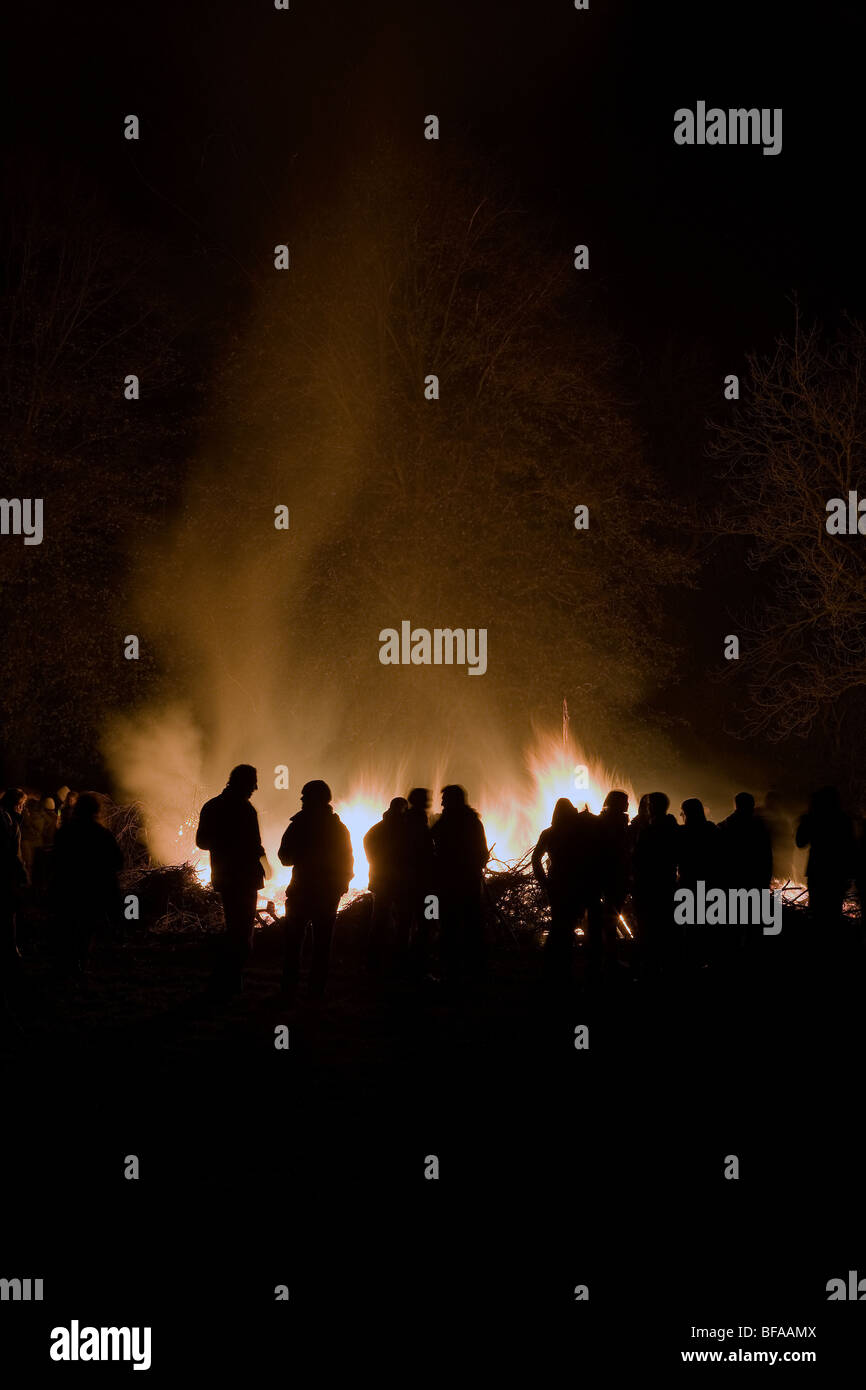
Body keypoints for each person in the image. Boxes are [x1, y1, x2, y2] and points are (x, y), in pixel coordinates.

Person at [277, 780, 353, 1003]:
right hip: (327, 895)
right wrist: (340, 888)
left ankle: (288, 990)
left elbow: (284, 858)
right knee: (322, 945)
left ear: (314, 799)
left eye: (304, 796)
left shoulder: (298, 824)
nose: (301, 800)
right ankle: (315, 992)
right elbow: (348, 862)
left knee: (293, 943)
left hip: (302, 891)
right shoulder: (338, 828)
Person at [195, 764, 265, 999]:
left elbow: (202, 842)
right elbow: (254, 846)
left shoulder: (213, 806)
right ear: (244, 783)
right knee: (242, 934)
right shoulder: (246, 810)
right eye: (252, 783)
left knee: (236, 930)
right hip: (244, 878)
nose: (255, 788)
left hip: (226, 877)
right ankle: (224, 981)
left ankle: (228, 982)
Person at [52, 793, 123, 974]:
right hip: (92, 891)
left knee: (68, 927)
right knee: (86, 928)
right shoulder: (102, 834)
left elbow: (56, 861)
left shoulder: (65, 832)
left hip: (67, 889)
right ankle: (80, 964)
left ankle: (67, 965)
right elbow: (117, 862)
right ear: (96, 811)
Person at [431, 785, 489, 989]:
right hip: (469, 883)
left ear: (453, 801)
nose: (442, 803)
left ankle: (451, 974)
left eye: (445, 799)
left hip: (449, 885)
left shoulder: (444, 825)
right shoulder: (474, 823)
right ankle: (475, 972)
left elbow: (432, 848)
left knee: (449, 928)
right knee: (472, 927)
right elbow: (483, 854)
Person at [532, 797, 588, 984]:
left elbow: (535, 859)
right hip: (571, 884)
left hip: (557, 884)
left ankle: (553, 967)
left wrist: (544, 881)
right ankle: (560, 968)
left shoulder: (549, 833)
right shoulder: (578, 833)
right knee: (565, 926)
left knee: (560, 925)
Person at [796, 787, 854, 943]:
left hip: (818, 871)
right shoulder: (843, 819)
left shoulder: (813, 818)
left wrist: (804, 821)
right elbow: (850, 848)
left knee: (816, 911)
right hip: (837, 874)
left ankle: (818, 943)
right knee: (833, 913)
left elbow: (800, 842)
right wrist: (849, 874)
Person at [631, 792, 679, 979]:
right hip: (667, 884)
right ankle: (665, 967)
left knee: (648, 928)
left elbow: (637, 858)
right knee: (665, 927)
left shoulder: (650, 831)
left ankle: (650, 969)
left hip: (649, 886)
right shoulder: (673, 828)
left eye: (649, 804)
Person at [363, 797, 409, 970]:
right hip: (399, 885)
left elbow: (368, 851)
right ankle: (398, 961)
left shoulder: (376, 830)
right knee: (403, 922)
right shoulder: (405, 831)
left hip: (380, 882)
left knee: (379, 921)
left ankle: (373, 961)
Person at [404, 787, 436, 976]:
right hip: (425, 886)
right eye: (426, 799)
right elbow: (424, 854)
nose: (431, 801)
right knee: (429, 921)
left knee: (409, 923)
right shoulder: (417, 824)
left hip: (413, 884)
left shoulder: (407, 821)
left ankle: (411, 964)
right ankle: (420, 967)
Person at [0, 788, 28, 991]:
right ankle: (11, 950)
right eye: (22, 804)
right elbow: (11, 851)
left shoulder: (10, 818)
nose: (23, 808)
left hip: (8, 873)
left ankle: (11, 948)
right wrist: (22, 872)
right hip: (6, 874)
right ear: (16, 803)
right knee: (9, 911)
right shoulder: (8, 821)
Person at [718, 793, 772, 891]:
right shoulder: (759, 825)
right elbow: (766, 853)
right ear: (752, 805)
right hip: (756, 876)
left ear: (735, 805)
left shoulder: (726, 824)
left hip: (735, 877)